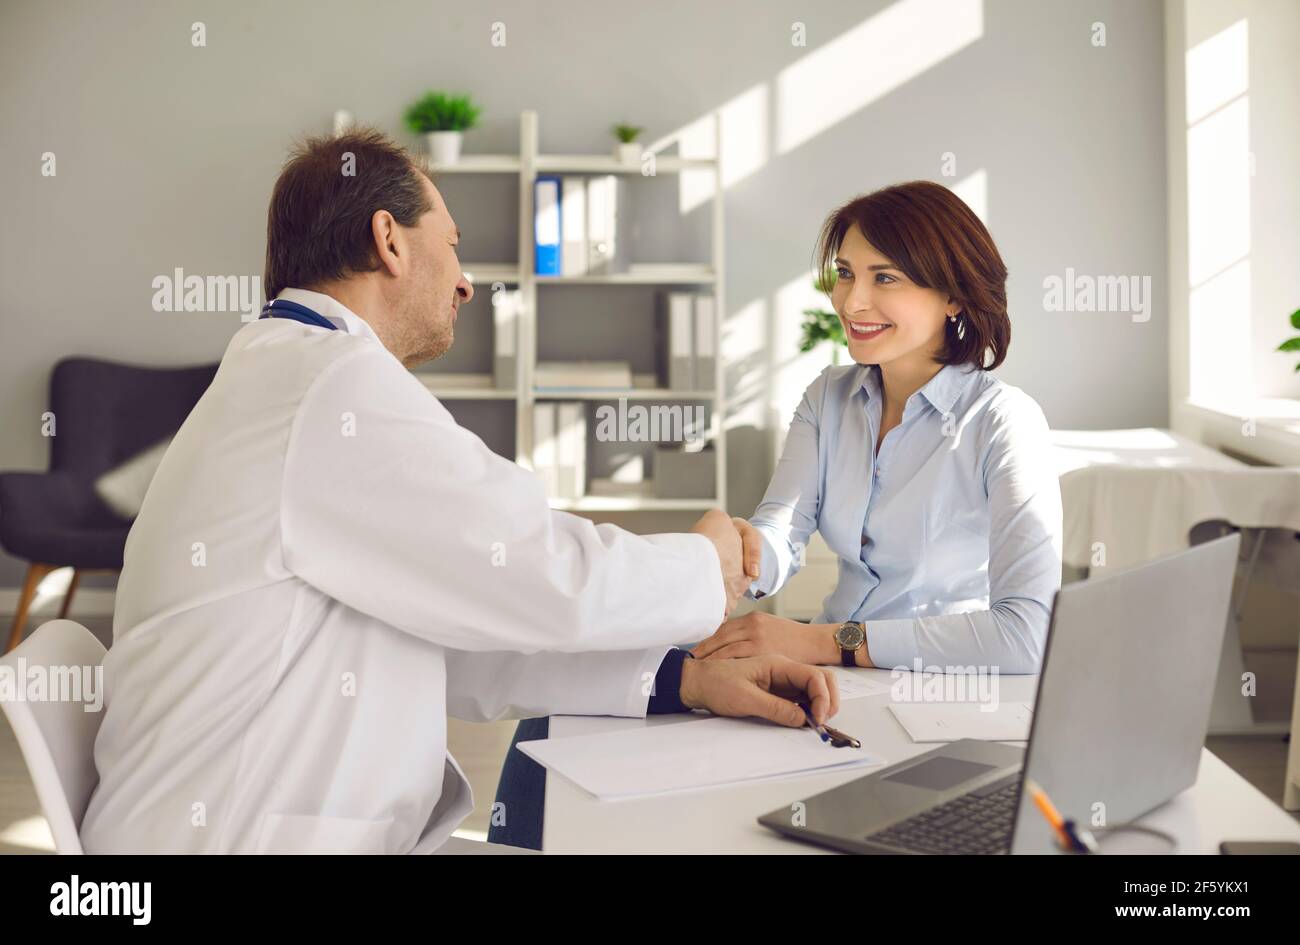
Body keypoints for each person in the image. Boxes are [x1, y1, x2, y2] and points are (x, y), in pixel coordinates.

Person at [78, 129, 838, 855]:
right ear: (389, 240)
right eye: (453, 244)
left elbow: (458, 634)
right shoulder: (331, 386)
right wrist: (707, 562)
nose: (467, 280)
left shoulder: (286, 375)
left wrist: (687, 677)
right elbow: (542, 572)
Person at [693, 181, 1063, 675]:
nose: (851, 303)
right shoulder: (828, 397)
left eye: (885, 278)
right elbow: (782, 530)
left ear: (954, 297)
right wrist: (735, 558)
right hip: (832, 671)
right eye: (845, 274)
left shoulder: (1003, 423)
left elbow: (1026, 635)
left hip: (942, 683)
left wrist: (825, 642)